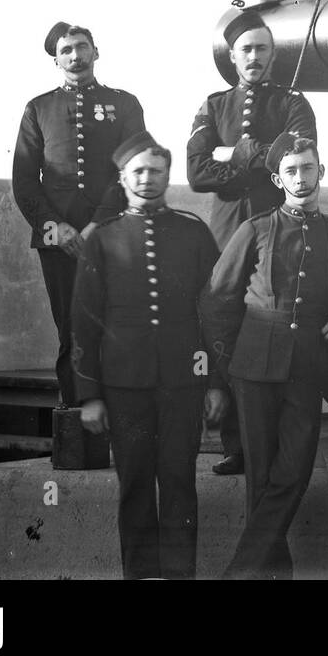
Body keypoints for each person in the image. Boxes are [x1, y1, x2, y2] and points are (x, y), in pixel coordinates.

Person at [199, 134, 328, 579]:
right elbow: (216, 299)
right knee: (262, 479)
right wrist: (225, 366)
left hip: (307, 370)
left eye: (308, 168)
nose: (301, 179)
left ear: (320, 171)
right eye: (291, 171)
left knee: (295, 472)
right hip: (253, 370)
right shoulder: (256, 228)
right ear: (277, 178)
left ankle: (239, 574)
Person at [72, 131, 224, 579]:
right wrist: (90, 395)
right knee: (135, 486)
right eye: (137, 171)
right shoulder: (102, 238)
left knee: (179, 483)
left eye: (155, 171)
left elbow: (214, 312)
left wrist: (216, 381)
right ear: (122, 178)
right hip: (124, 388)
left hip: (183, 384)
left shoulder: (193, 232)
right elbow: (83, 321)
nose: (147, 179)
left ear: (167, 176)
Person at [188, 8, 318, 475]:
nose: (255, 57)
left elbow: (299, 154)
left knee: (273, 325)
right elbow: (197, 172)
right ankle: (236, 444)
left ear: (272, 54)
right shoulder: (212, 105)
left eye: (262, 48)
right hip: (226, 233)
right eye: (246, 50)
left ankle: (277, 441)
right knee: (226, 323)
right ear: (232, 56)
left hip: (277, 232)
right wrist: (262, 157)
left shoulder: (293, 104)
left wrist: (237, 154)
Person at [13, 22, 145, 407]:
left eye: (82, 47)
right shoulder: (38, 108)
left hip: (115, 235)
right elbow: (25, 180)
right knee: (71, 333)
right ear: (56, 60)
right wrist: (60, 229)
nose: (75, 55)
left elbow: (133, 169)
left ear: (96, 52)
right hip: (58, 243)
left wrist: (94, 228)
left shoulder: (125, 103)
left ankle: (122, 424)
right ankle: (76, 424)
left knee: (118, 327)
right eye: (67, 50)